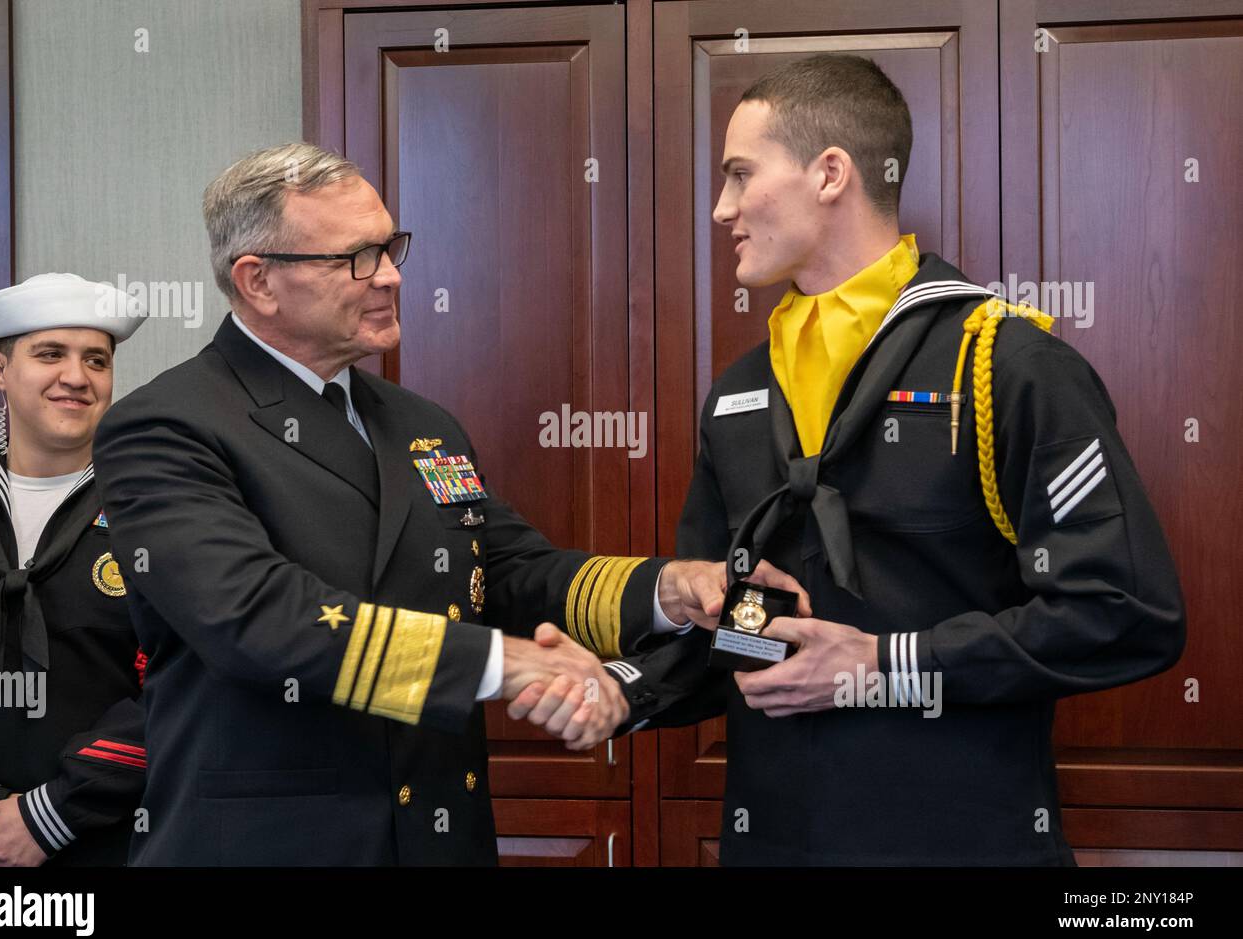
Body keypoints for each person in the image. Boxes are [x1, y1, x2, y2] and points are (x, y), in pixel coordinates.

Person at [522, 54, 1186, 865]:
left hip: (961, 844)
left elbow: (1123, 614)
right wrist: (622, 691)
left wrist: (881, 663)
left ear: (830, 172)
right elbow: (742, 624)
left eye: (739, 173)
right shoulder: (742, 390)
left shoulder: (1004, 363)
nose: (721, 207)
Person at [91, 142, 801, 865]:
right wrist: (504, 664)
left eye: (391, 247)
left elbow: (512, 574)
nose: (391, 277)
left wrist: (668, 590)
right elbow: (257, 618)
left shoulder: (420, 424)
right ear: (259, 282)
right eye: (357, 258)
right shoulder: (166, 425)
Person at [0, 273, 148, 866]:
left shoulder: (156, 518)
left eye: (96, 360)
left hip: (112, 840)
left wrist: (51, 812)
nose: (76, 377)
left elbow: (184, 681)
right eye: (49, 354)